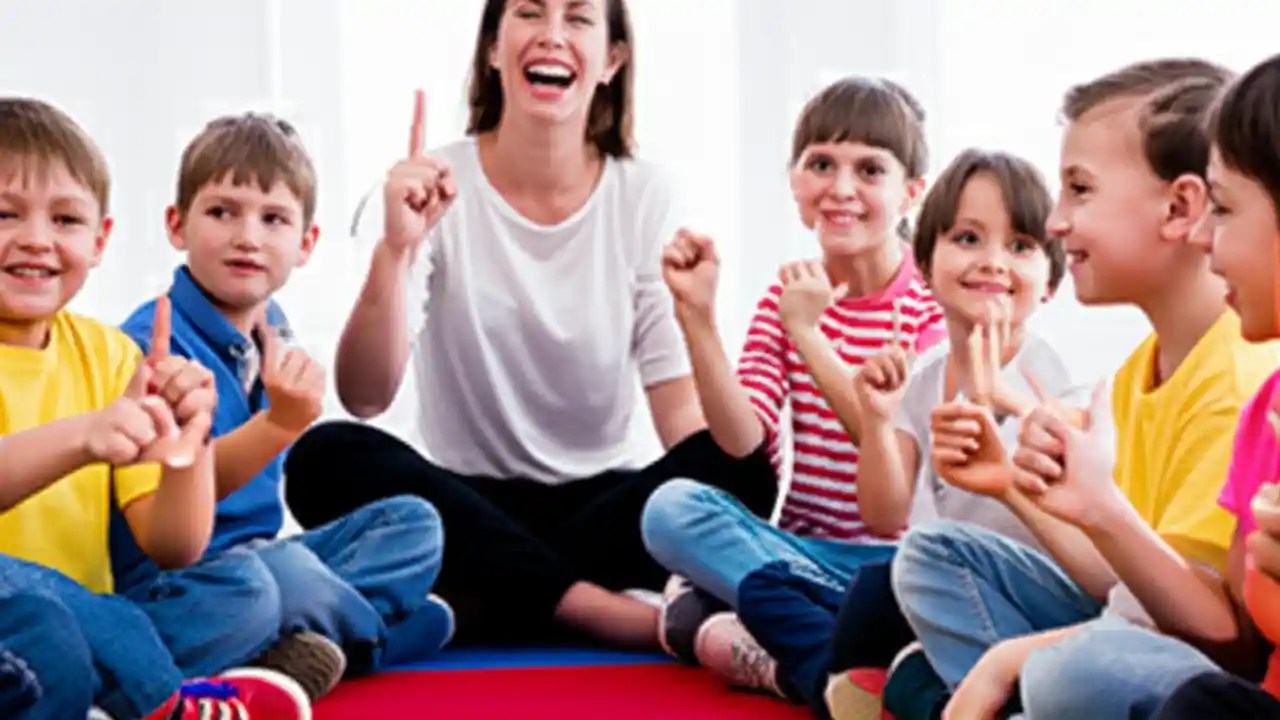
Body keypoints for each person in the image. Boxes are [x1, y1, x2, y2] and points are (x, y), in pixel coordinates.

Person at [282, 0, 778, 650]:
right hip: (464, 501)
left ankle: (482, 600)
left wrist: (701, 329)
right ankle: (597, 610)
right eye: (529, 12)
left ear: (612, 59)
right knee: (322, 458)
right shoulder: (436, 183)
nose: (552, 35)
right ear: (494, 48)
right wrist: (395, 249)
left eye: (578, 18)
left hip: (600, 508)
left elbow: (680, 418)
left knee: (745, 464)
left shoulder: (644, 194)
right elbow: (366, 396)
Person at [891, 58, 1280, 720]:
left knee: (1072, 673)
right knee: (930, 559)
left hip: (1181, 666)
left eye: (1079, 190)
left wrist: (1011, 658)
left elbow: (1218, 638)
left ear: (1180, 208)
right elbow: (1124, 584)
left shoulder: (1238, 377)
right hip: (1142, 634)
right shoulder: (1136, 375)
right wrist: (1011, 482)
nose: (1056, 221)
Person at [723, 149, 1081, 718]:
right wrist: (876, 418)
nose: (993, 263)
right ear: (925, 264)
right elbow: (883, 515)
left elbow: (1071, 552)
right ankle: (874, 679)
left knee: (873, 602)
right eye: (968, 239)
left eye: (1020, 247)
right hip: (926, 581)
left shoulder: (1054, 382)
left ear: (1052, 281)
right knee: (768, 588)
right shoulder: (927, 374)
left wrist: (1005, 415)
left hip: (1013, 606)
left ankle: (873, 681)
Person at [112, 113, 450, 704]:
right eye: (223, 212)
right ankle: (371, 637)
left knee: (414, 525)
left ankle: (305, 642)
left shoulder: (274, 331)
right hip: (187, 582)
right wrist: (278, 425)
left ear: (306, 243)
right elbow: (168, 513)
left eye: (274, 220)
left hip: (263, 561)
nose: (248, 237)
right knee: (273, 586)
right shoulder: (149, 345)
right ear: (176, 224)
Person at [0, 97, 308, 719]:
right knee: (47, 622)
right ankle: (164, 702)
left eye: (65, 219)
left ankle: (100, 690)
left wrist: (186, 451)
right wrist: (84, 436)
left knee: (238, 590)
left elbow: (172, 547)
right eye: (5, 214)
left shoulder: (112, 356)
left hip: (87, 624)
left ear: (99, 240)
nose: (36, 239)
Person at [638, 75, 944, 697]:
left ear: (911, 192)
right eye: (821, 165)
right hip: (798, 550)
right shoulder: (789, 293)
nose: (841, 189)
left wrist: (808, 335)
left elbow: (894, 462)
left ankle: (770, 633)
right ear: (795, 183)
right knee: (669, 509)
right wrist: (696, 316)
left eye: (869, 170)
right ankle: (819, 625)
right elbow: (741, 441)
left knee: (919, 584)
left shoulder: (930, 303)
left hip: (897, 564)